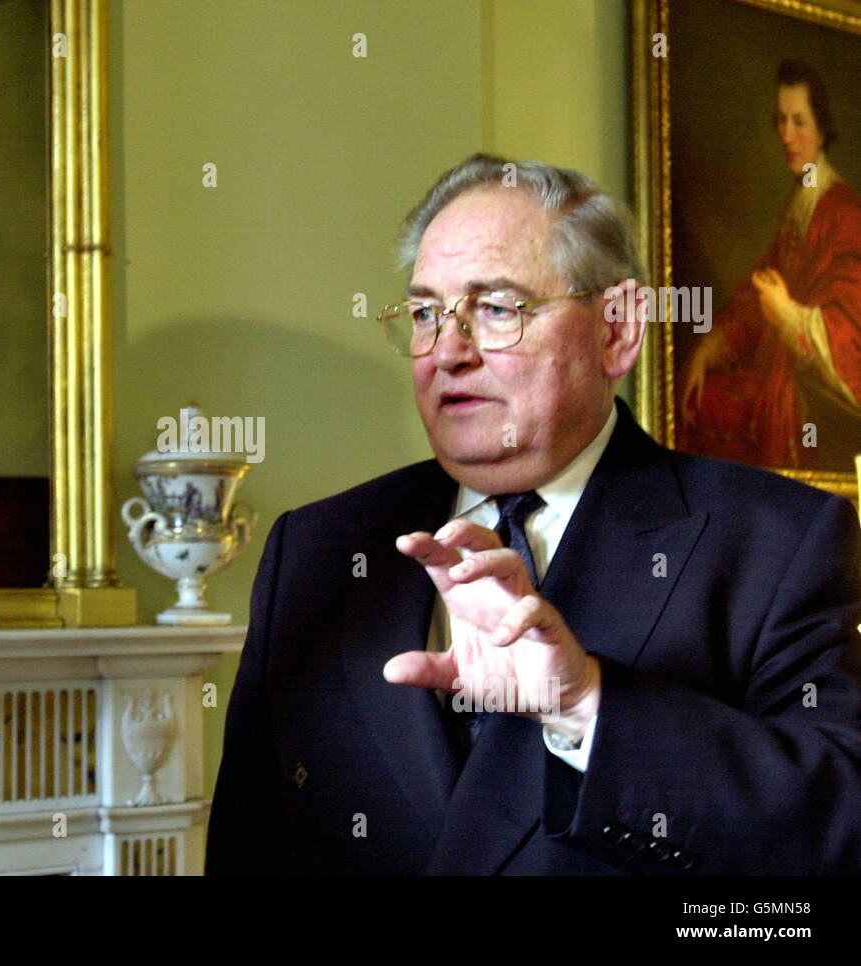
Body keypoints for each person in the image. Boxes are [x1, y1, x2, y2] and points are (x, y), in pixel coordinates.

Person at [206, 153, 861, 875]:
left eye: (496, 309)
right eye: (425, 314)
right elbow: (248, 842)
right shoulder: (319, 548)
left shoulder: (777, 541)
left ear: (618, 331)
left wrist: (589, 707)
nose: (446, 352)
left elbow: (836, 833)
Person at [681, 59, 861, 470]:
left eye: (799, 121)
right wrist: (711, 347)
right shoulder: (802, 205)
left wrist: (787, 316)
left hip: (817, 395)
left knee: (719, 411)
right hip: (779, 373)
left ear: (822, 129)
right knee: (701, 396)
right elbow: (754, 296)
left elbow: (851, 333)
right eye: (781, 120)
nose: (786, 134)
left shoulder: (844, 213)